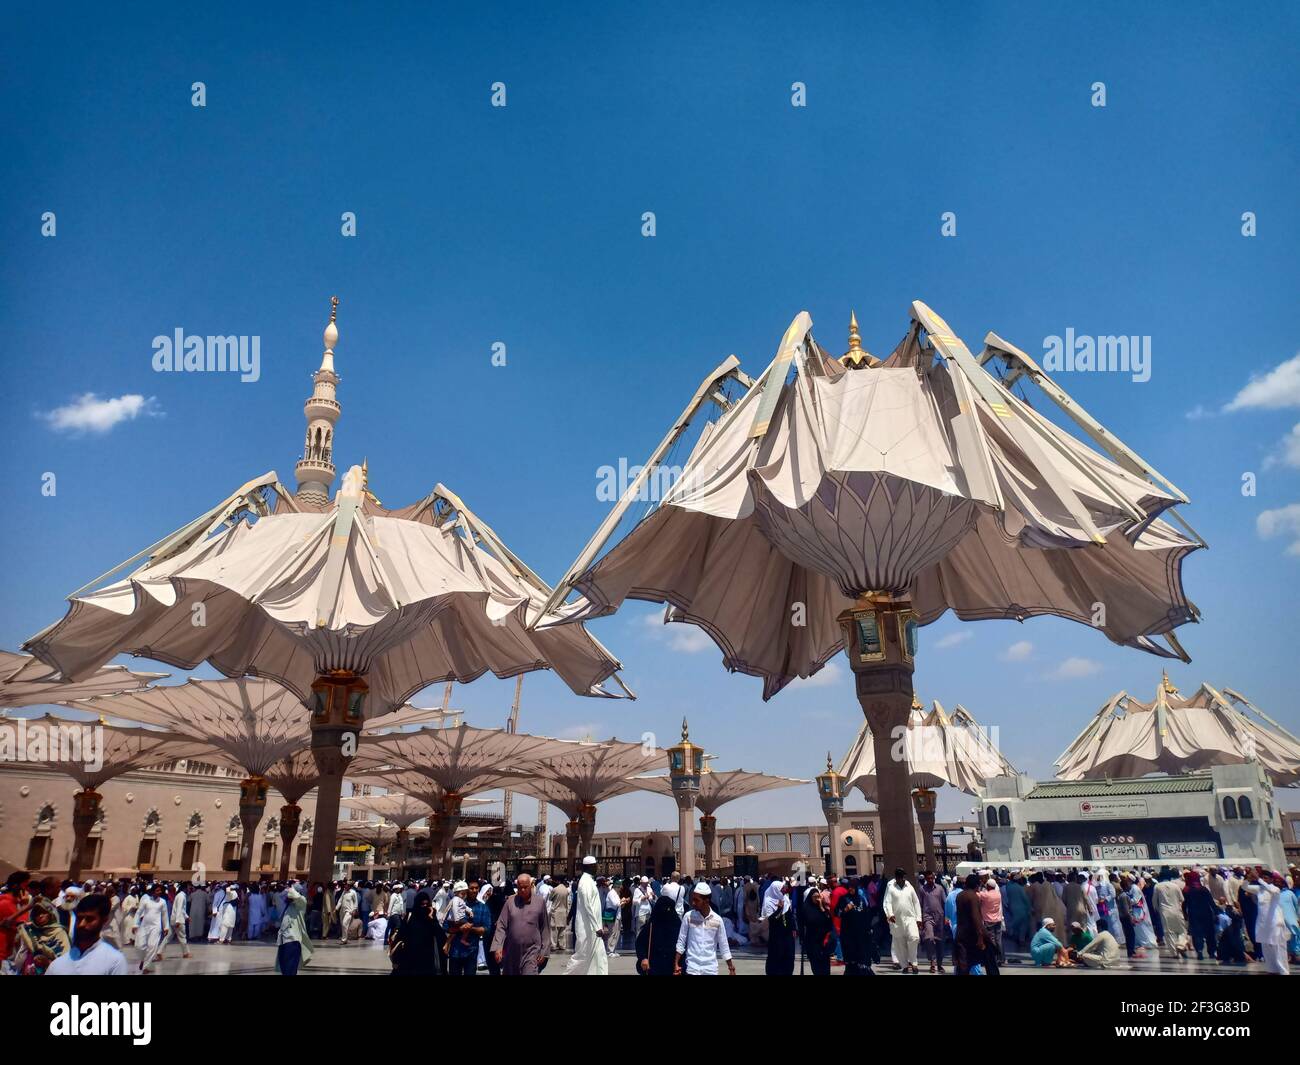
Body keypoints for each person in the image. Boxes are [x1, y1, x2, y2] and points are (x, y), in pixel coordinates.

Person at [47, 893, 129, 975]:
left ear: (104, 920)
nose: (82, 924)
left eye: (89, 919)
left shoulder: (114, 961)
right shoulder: (58, 964)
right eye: (79, 918)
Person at [491, 873, 550, 975]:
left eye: (525, 887)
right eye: (520, 887)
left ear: (531, 886)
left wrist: (544, 951)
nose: (522, 890)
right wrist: (498, 947)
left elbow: (545, 927)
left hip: (532, 951)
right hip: (512, 951)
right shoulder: (510, 902)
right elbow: (501, 925)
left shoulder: (540, 902)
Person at [674, 882, 735, 975]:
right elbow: (681, 941)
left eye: (696, 900)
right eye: (693, 900)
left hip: (710, 969)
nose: (693, 903)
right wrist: (676, 963)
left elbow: (724, 946)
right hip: (692, 968)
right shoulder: (688, 917)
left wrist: (731, 968)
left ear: (706, 901)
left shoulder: (717, 920)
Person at [565, 857, 609, 975]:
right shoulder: (585, 882)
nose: (596, 868)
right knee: (582, 956)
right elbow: (587, 905)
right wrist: (596, 927)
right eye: (594, 866)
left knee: (598, 957)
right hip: (588, 928)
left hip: (593, 928)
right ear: (589, 867)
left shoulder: (589, 881)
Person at [1243, 870, 1290, 976]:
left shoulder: (1275, 889)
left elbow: (1272, 890)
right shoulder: (1259, 889)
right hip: (1263, 925)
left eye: (1266, 877)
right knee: (1267, 948)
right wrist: (1248, 879)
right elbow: (1244, 887)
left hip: (1275, 924)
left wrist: (1259, 879)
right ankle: (1272, 970)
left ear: (1271, 879)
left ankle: (1284, 972)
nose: (1263, 879)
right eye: (1262, 877)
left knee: (1278, 949)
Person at [12, 897, 71, 975]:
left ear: (50, 914)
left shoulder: (59, 931)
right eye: (37, 914)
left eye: (43, 912)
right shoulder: (30, 931)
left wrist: (47, 962)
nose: (40, 916)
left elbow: (64, 958)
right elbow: (22, 954)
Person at [882, 867, 922, 974]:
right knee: (900, 943)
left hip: (910, 918)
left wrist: (918, 918)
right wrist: (889, 914)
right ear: (896, 877)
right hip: (896, 920)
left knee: (914, 938)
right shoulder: (891, 887)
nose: (900, 878)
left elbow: (916, 902)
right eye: (898, 876)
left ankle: (914, 963)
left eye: (902, 876)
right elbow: (887, 902)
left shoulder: (909, 887)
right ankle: (905, 965)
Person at [390, 890, 439, 975]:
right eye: (422, 904)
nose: (424, 907)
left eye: (426, 904)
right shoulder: (410, 916)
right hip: (410, 955)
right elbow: (401, 934)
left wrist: (431, 916)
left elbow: (437, 932)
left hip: (426, 956)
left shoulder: (430, 917)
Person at [636, 892, 682, 975]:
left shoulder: (678, 925)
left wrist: (679, 965)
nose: (666, 912)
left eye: (668, 909)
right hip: (653, 967)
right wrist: (643, 958)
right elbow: (640, 943)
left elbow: (682, 947)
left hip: (672, 968)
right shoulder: (650, 926)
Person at [953, 873, 989, 975]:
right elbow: (976, 918)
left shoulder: (960, 895)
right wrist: (981, 937)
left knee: (963, 964)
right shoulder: (973, 897)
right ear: (977, 885)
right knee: (986, 959)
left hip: (960, 933)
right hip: (971, 934)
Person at [835, 880, 873, 975]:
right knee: (851, 957)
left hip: (861, 934)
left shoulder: (861, 899)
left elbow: (866, 914)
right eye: (849, 887)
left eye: (852, 887)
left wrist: (869, 928)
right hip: (848, 934)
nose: (850, 889)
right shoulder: (844, 899)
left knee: (861, 957)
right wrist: (845, 910)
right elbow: (837, 913)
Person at [276, 882, 313, 975]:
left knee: (290, 969)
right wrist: (286, 889)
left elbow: (295, 895)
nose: (287, 896)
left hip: (293, 940)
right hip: (283, 940)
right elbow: (281, 895)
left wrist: (290, 886)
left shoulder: (302, 902)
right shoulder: (288, 905)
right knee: (284, 967)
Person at [761, 877, 796, 976]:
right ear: (775, 890)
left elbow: (789, 914)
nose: (783, 891)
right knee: (776, 956)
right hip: (777, 935)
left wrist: (793, 927)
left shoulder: (784, 898)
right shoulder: (769, 902)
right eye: (781, 889)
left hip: (788, 934)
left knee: (789, 956)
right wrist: (779, 910)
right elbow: (772, 919)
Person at [1153, 870, 1189, 959]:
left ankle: (1174, 953)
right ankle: (1181, 945)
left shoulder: (1157, 886)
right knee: (1182, 931)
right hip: (1177, 911)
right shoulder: (1175, 886)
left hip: (1165, 912)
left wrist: (1157, 910)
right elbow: (1182, 899)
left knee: (1169, 933)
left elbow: (1154, 902)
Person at [135, 882, 169, 972]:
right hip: (144, 925)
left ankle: (146, 966)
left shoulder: (163, 902)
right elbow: (138, 912)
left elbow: (165, 915)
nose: (159, 892)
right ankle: (143, 959)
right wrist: (135, 924)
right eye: (157, 891)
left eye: (160, 891)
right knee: (139, 945)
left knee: (152, 946)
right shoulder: (146, 900)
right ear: (153, 892)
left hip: (156, 927)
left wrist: (166, 927)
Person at [919, 871, 947, 973]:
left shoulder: (940, 888)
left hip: (939, 917)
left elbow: (945, 902)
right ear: (926, 879)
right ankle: (932, 962)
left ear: (934, 877)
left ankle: (939, 964)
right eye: (928, 878)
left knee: (939, 942)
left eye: (932, 878)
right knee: (929, 938)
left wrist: (946, 918)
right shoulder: (922, 890)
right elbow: (920, 905)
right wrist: (920, 920)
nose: (930, 880)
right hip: (927, 917)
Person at [547, 876, 570, 954]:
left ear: (557, 881)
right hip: (564, 911)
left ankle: (553, 945)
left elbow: (550, 898)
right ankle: (562, 945)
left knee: (554, 930)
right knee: (562, 930)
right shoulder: (566, 890)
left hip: (555, 911)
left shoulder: (555, 889)